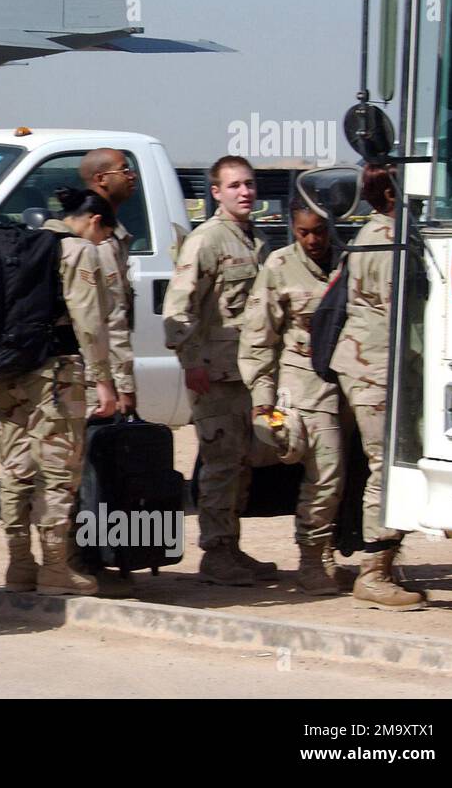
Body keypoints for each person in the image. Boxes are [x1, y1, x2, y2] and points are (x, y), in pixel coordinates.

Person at [0, 187, 116, 594]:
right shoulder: (78, 250)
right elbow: (89, 321)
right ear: (95, 222)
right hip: (56, 374)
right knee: (58, 472)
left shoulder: (20, 242)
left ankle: (18, 565)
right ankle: (54, 569)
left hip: (9, 372)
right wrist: (103, 379)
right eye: (104, 235)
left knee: (16, 469)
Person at [163, 155, 272, 586]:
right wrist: (191, 364)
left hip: (247, 373)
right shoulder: (206, 241)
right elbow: (177, 309)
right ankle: (215, 553)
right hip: (214, 374)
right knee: (220, 463)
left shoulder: (255, 241)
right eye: (234, 186)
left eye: (249, 184)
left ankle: (231, 546)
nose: (244, 192)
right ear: (215, 193)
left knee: (242, 463)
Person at [239, 199, 356, 595]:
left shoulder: (349, 260)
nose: (312, 240)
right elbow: (259, 337)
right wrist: (262, 399)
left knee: (349, 472)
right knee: (325, 469)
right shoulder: (278, 266)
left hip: (350, 377)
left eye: (319, 231)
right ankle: (311, 559)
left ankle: (330, 553)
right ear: (292, 228)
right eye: (303, 232)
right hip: (304, 378)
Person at [330, 164, 425, 610]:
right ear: (392, 194)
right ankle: (374, 571)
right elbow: (400, 314)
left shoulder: (371, 232)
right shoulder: (390, 240)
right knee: (385, 465)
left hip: (362, 364)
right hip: (375, 368)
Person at [79, 148, 138, 416]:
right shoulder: (98, 237)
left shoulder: (108, 230)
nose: (131, 176)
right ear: (101, 179)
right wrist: (124, 387)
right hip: (95, 377)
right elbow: (111, 319)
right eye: (124, 170)